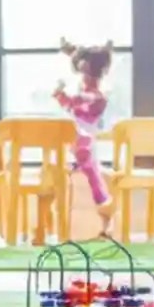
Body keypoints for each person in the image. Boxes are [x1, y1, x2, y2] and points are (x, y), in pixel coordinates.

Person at [53, 38, 116, 237]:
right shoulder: (87, 95)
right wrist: (61, 96)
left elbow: (82, 104)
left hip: (84, 147)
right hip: (73, 146)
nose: (84, 77)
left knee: (94, 176)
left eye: (87, 72)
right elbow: (72, 104)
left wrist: (65, 97)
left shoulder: (97, 97)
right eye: (83, 72)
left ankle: (106, 217)